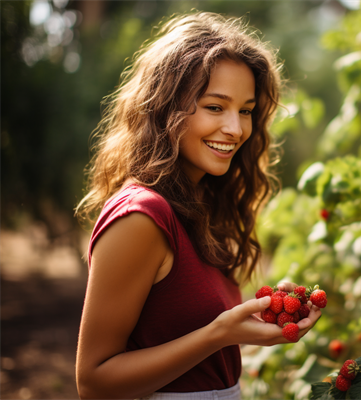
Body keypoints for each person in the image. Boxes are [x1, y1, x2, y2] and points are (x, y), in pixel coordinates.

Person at [74, 11, 321, 400]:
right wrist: (220, 333)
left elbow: (182, 325)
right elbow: (94, 382)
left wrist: (261, 314)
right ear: (165, 108)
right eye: (215, 107)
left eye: (245, 110)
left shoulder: (199, 206)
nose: (236, 129)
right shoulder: (141, 216)